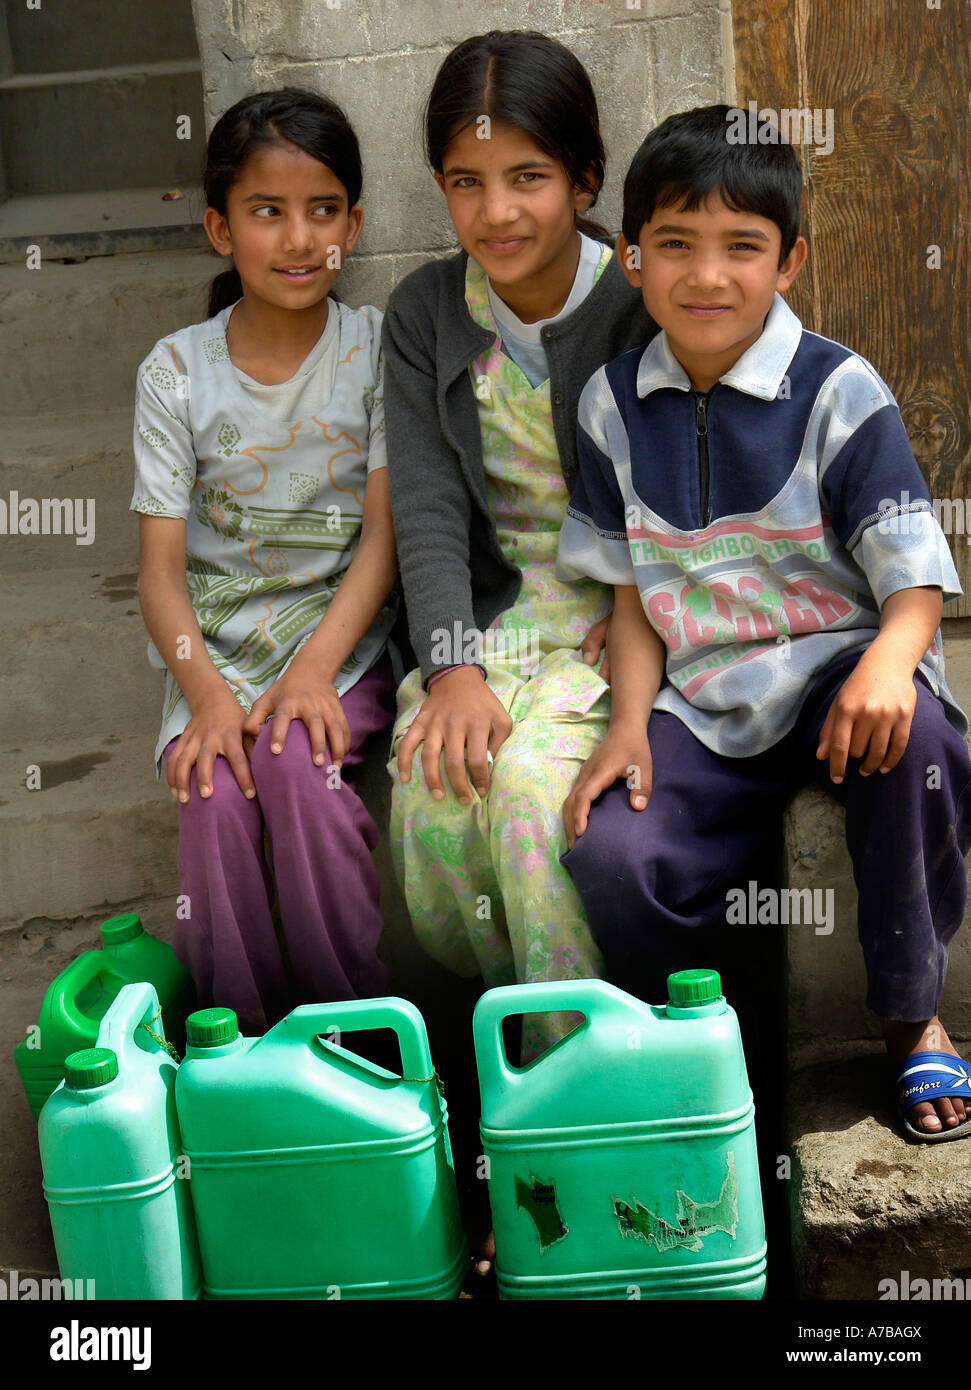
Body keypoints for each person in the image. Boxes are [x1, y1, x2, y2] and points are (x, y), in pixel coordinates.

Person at [558, 104, 971, 1142]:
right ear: (630, 261)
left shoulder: (836, 388)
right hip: (701, 698)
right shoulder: (610, 406)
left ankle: (909, 1015)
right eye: (675, 246)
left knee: (917, 743)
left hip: (840, 674)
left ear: (786, 261)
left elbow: (913, 576)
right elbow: (632, 590)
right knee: (611, 853)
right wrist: (624, 722)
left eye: (740, 247)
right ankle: (701, 1049)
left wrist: (887, 659)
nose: (706, 276)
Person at [381, 30, 658, 1059]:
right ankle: (515, 1058)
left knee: (535, 808)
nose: (495, 212)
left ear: (585, 177)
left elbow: (687, 482)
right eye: (465, 181)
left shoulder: (638, 298)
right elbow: (425, 508)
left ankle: (586, 1087)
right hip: (492, 625)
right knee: (441, 799)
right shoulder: (423, 314)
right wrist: (449, 667)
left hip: (615, 620)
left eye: (527, 178)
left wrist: (651, 614)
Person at [132, 88, 398, 1037]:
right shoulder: (176, 371)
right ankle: (236, 1047)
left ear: (353, 226)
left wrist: (315, 672)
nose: (297, 237)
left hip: (339, 641)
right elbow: (160, 571)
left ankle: (354, 1037)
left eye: (323, 210)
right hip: (216, 650)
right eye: (265, 211)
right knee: (210, 789)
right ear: (218, 227)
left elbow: (383, 537)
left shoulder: (373, 351)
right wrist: (205, 697)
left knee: (297, 763)